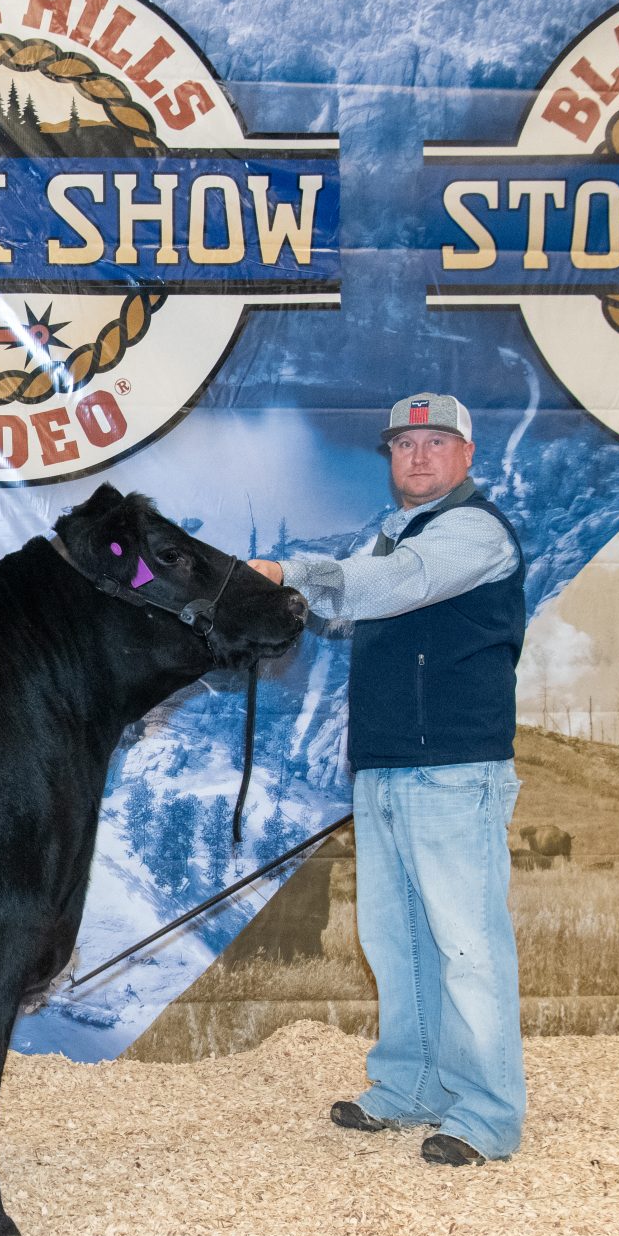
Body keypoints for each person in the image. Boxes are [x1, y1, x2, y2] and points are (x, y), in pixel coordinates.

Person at [248, 393, 527, 1166]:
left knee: (467, 943)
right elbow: (345, 609)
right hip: (387, 767)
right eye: (406, 444)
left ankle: (489, 1112)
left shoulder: (473, 532)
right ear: (391, 457)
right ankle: (412, 1086)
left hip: (453, 770)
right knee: (398, 939)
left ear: (468, 455)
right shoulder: (388, 539)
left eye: (438, 442)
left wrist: (286, 570)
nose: (420, 455)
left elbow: (397, 584)